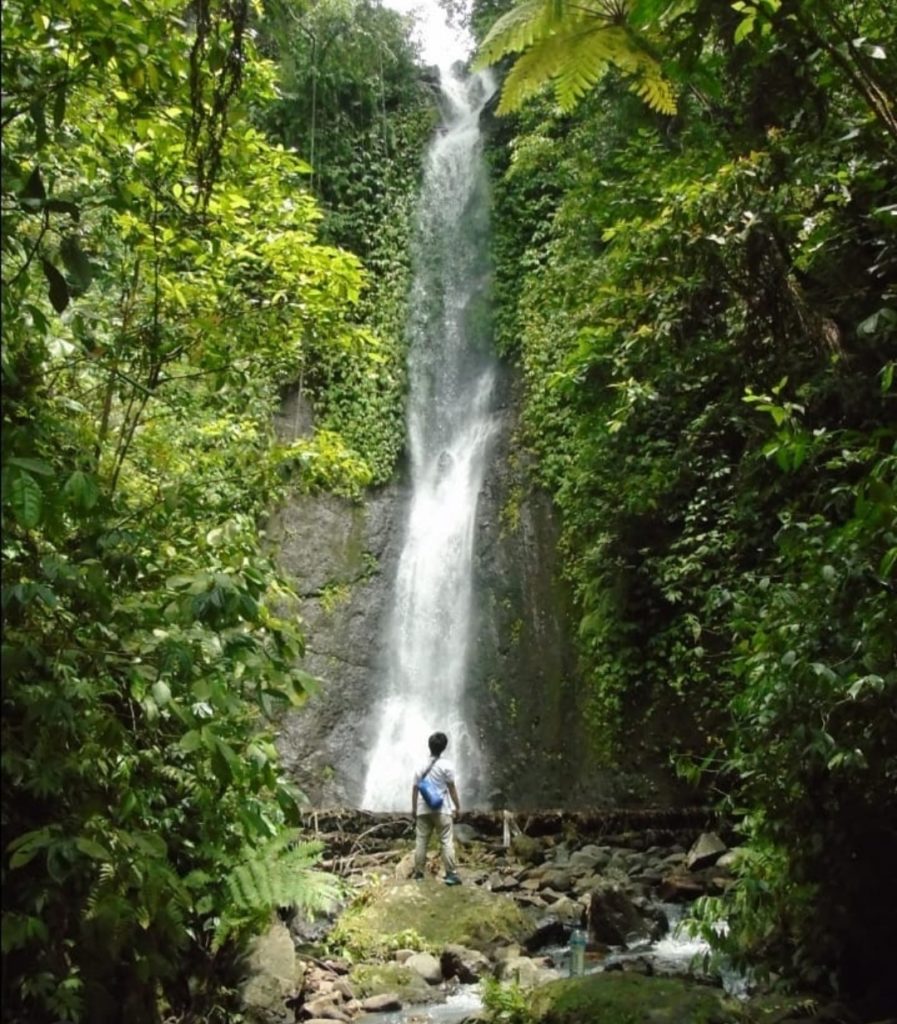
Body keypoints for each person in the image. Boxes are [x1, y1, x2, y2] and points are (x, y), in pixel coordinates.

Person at [411, 731, 462, 885]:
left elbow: (415, 788)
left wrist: (414, 809)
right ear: (444, 747)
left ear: (429, 746)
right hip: (442, 809)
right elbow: (452, 788)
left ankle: (419, 874)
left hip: (423, 809)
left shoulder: (420, 765)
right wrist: (457, 806)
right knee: (446, 841)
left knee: (421, 841)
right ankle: (451, 874)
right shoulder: (447, 765)